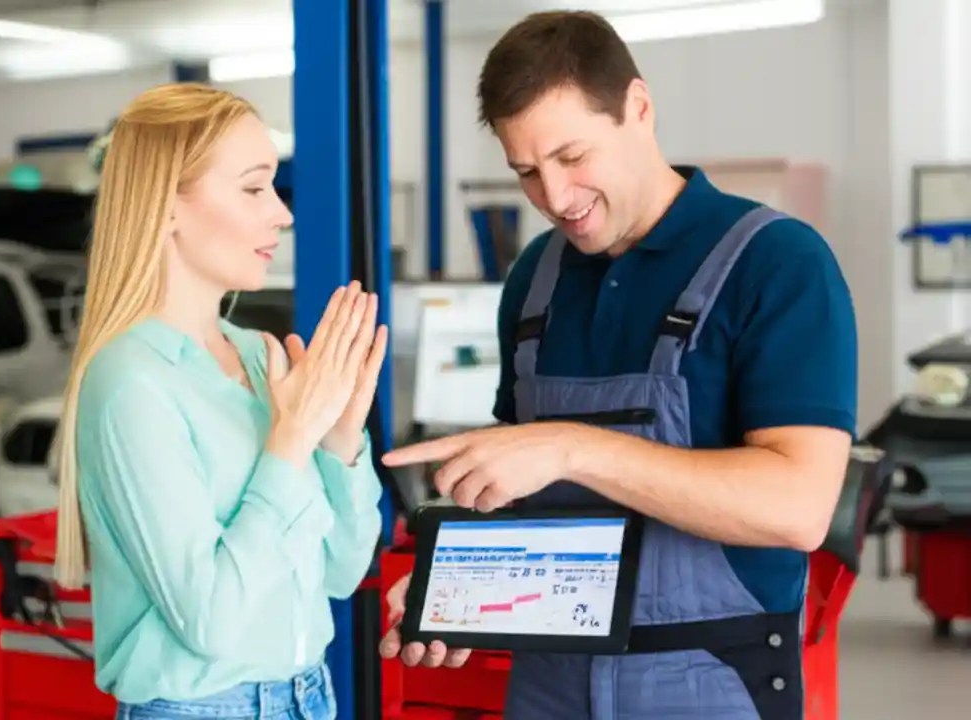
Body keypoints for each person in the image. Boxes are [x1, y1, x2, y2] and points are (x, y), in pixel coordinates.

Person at [378, 11, 857, 720]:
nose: (556, 198)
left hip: (711, 682)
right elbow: (523, 492)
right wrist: (455, 584)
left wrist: (572, 445)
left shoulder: (777, 263)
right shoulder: (536, 277)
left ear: (638, 107)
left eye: (573, 158)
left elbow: (798, 508)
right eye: (527, 173)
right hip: (547, 682)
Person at [51, 83, 388, 719]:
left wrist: (340, 441)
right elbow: (209, 621)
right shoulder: (131, 383)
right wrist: (289, 444)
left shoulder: (263, 359)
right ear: (167, 207)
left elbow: (341, 575)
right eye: (254, 187)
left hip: (311, 695)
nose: (282, 215)